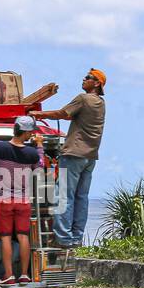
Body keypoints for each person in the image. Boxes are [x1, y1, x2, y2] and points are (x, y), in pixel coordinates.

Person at [37, 68, 106, 248]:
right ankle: (76, 238)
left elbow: (63, 114)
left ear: (96, 83)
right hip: (90, 156)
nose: (84, 79)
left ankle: (63, 238)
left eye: (88, 78)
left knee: (64, 196)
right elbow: (72, 116)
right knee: (81, 197)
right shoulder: (100, 103)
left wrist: (37, 114)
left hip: (74, 153)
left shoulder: (83, 99)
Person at [0, 114, 43, 285]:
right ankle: (25, 274)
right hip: (23, 201)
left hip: (4, 200)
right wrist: (40, 145)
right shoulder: (32, 153)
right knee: (23, 237)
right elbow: (40, 167)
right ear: (27, 133)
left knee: (5, 237)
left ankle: (8, 275)